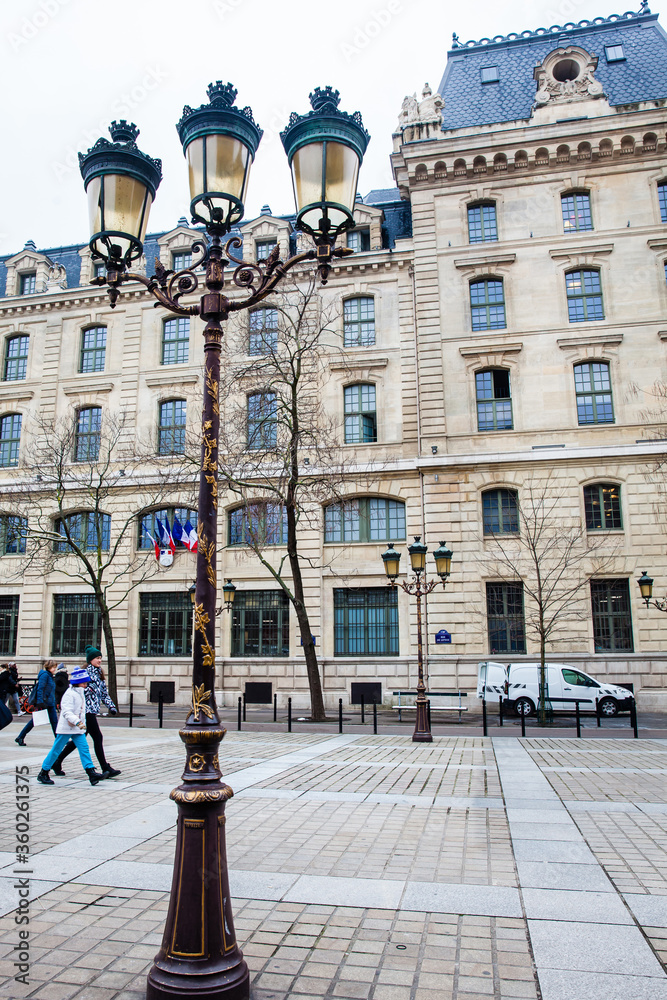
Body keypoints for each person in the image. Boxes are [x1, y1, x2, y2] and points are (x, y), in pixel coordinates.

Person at [52, 646, 121, 779]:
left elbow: (104, 693)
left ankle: (57, 761)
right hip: (85, 711)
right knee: (97, 737)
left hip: (92, 711)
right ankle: (105, 767)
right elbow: (77, 689)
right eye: (97, 658)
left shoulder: (100, 673)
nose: (100, 660)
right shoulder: (85, 673)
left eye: (100, 658)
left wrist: (111, 707)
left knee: (78, 739)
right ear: (90, 660)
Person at [37, 667, 104, 785]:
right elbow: (66, 712)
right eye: (84, 683)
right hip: (67, 728)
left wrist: (80, 723)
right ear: (78, 683)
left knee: (84, 749)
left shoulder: (80, 693)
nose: (85, 685)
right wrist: (78, 722)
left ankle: (91, 773)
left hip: (77, 728)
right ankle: (43, 772)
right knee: (56, 750)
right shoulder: (69, 694)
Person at [15, 660, 58, 746]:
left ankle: (58, 741)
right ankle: (20, 736)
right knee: (35, 721)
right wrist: (40, 702)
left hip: (50, 703)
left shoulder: (50, 676)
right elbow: (40, 689)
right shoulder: (45, 676)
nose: (54, 669)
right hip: (44, 703)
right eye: (53, 667)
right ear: (49, 667)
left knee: (54, 722)